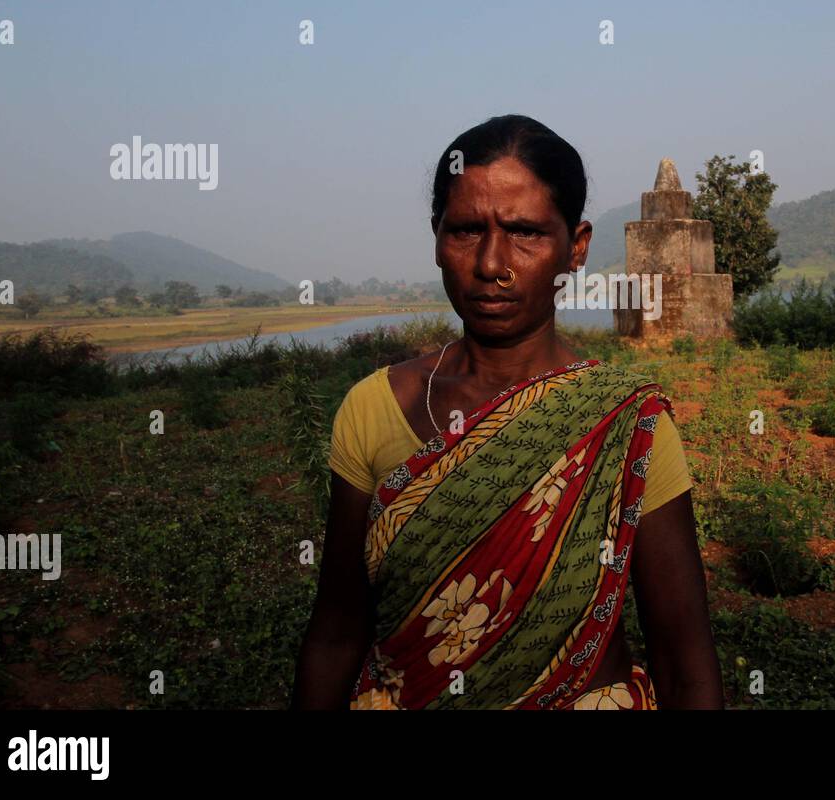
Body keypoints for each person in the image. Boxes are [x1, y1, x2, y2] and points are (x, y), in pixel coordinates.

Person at [292, 114, 723, 710]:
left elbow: (685, 662)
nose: (492, 262)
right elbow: (337, 633)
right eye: (467, 229)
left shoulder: (627, 424)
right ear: (437, 237)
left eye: (525, 232)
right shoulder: (374, 409)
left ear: (576, 247)